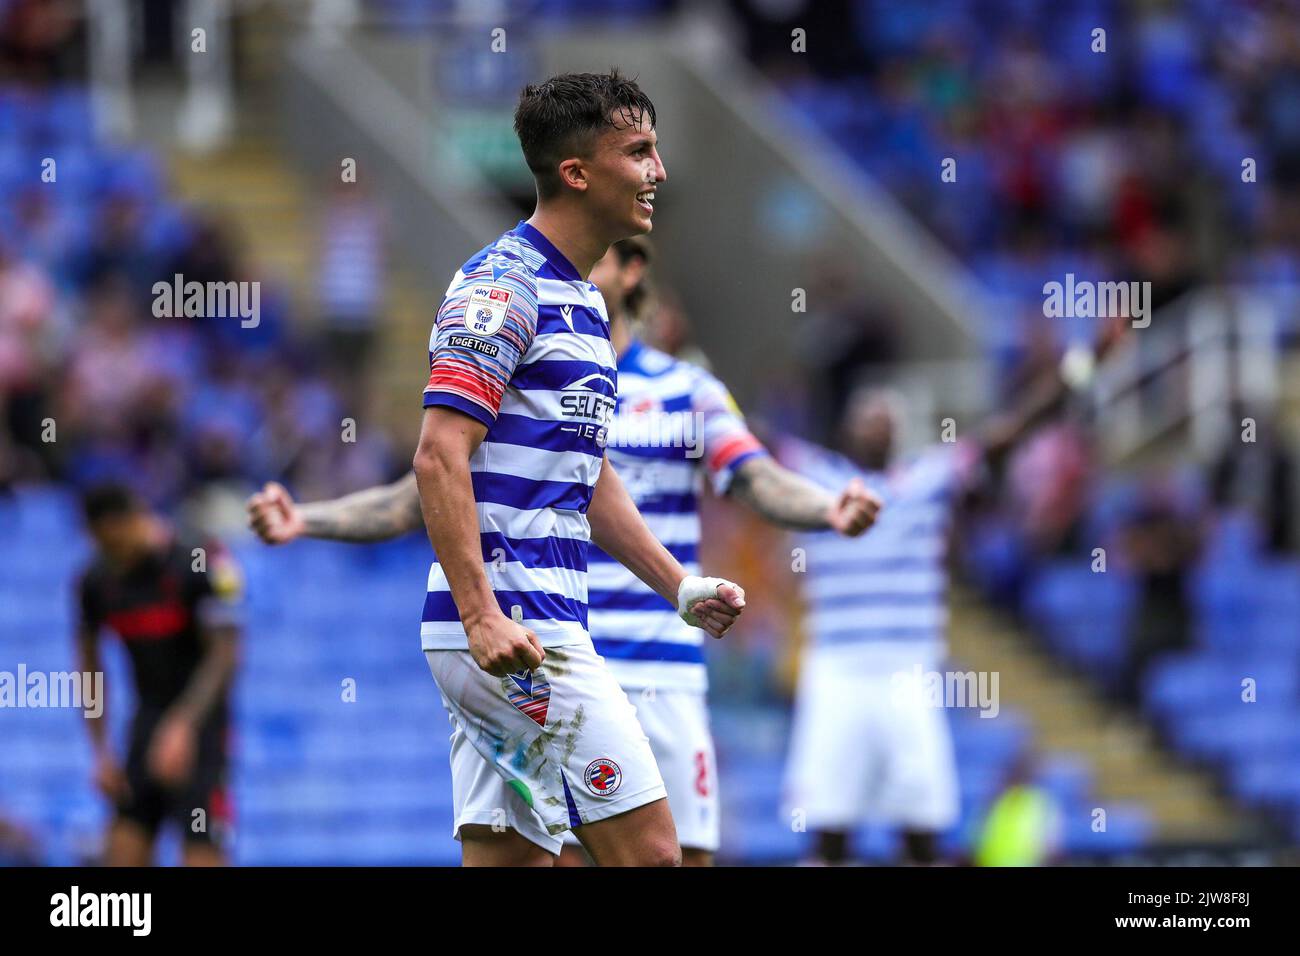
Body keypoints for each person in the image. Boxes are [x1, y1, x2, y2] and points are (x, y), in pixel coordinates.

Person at [248, 237, 880, 865]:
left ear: (633, 271)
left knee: (679, 857)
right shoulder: (531, 356)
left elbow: (753, 477)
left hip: (658, 668)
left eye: (602, 253)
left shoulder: (688, 391)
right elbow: (425, 489)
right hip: (556, 650)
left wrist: (825, 508)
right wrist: (306, 519)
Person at [780, 323, 1122, 865]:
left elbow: (1014, 428)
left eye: (884, 420)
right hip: (836, 671)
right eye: (865, 418)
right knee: (827, 824)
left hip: (907, 671)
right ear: (845, 431)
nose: (875, 426)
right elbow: (743, 435)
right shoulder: (816, 480)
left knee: (921, 823)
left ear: (898, 434)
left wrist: (1084, 364)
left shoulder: (925, 481)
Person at [75, 483, 242, 866]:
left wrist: (183, 724)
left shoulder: (199, 559)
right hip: (146, 724)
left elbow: (225, 654)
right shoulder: (95, 581)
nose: (111, 554)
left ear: (134, 520)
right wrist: (100, 752)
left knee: (202, 851)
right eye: (102, 546)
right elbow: (88, 664)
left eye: (115, 544)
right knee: (122, 851)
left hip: (204, 730)